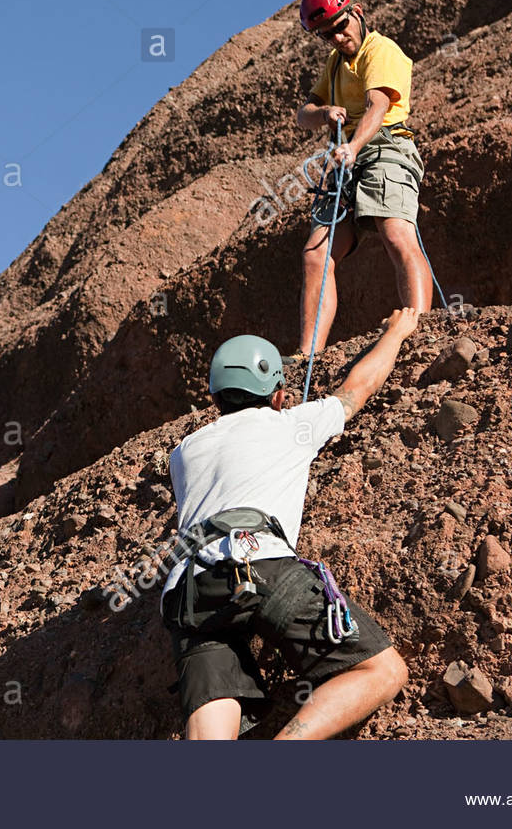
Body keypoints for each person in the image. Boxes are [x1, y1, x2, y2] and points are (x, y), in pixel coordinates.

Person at [160, 308, 419, 740]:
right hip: (259, 561)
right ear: (278, 395)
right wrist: (396, 331)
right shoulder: (291, 425)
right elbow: (359, 388)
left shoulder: (184, 452)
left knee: (212, 718)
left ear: (216, 398)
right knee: (381, 669)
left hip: (188, 587)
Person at [294, 0, 431, 357]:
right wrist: (322, 112)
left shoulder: (380, 49)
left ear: (357, 12)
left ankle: (417, 331)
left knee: (395, 232)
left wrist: (353, 146)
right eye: (326, 35)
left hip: (384, 146)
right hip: (345, 161)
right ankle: (307, 356)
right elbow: (303, 115)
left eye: (339, 27)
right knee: (315, 254)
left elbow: (378, 106)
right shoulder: (335, 63)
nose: (337, 38)